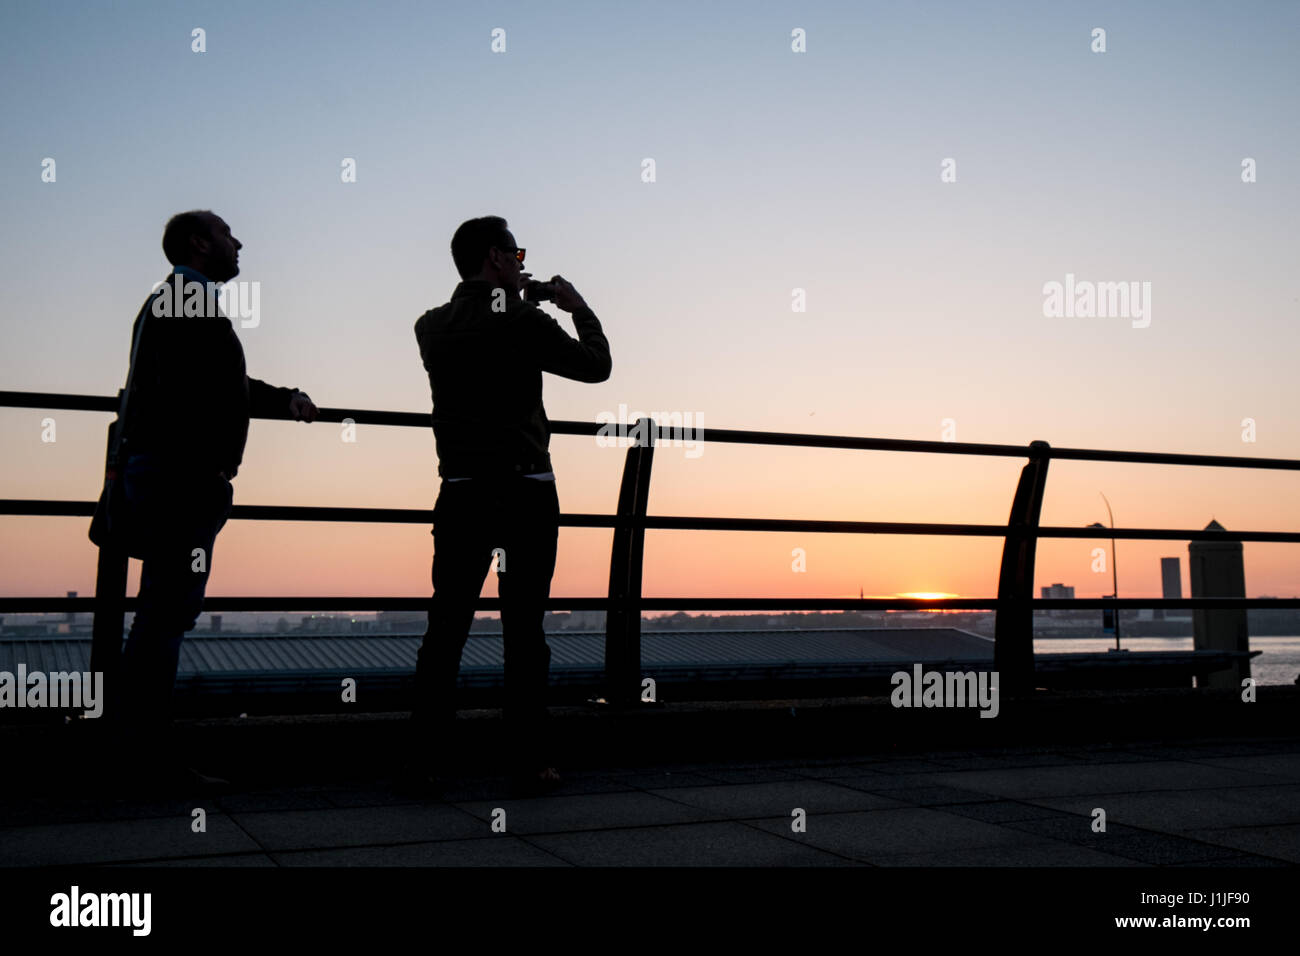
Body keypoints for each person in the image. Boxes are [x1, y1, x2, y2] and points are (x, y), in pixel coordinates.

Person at [112, 210, 319, 788]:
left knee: (161, 614)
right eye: (228, 233)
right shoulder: (188, 301)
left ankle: (139, 750)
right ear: (201, 243)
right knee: (165, 616)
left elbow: (206, 386)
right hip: (181, 479)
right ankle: (145, 755)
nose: (239, 242)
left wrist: (283, 399)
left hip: (167, 475)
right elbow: (206, 391)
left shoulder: (173, 301)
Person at [411, 216, 611, 793]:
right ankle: (530, 758)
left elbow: (479, 329)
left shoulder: (429, 327)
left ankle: (425, 759)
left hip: (461, 490)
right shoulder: (525, 319)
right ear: (497, 258)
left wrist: (512, 298)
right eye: (516, 254)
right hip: (525, 491)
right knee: (524, 629)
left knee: (445, 626)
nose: (523, 262)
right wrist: (575, 306)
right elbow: (595, 366)